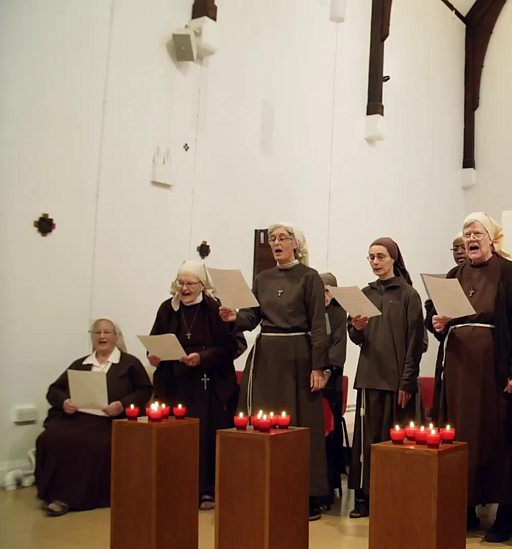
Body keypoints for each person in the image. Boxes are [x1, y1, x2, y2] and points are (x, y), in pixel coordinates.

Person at [426, 212, 512, 543]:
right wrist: (437, 323)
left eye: (477, 233)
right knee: (460, 435)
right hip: (459, 372)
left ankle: (503, 514)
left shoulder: (509, 272)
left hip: (494, 370)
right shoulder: (454, 274)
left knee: (497, 436)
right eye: (466, 234)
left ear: (492, 239)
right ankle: (467, 506)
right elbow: (436, 319)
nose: (470, 239)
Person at [219, 222, 330, 521]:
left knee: (299, 423)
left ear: (296, 244)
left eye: (283, 238)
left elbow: (318, 324)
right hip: (266, 356)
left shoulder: (309, 277)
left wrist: (319, 366)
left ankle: (305, 494)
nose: (277, 243)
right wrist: (234, 317)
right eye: (272, 239)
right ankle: (260, 486)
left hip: (298, 356)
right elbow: (252, 316)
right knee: (262, 419)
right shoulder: (263, 278)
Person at [35, 318, 152, 516]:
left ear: (115, 336)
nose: (102, 336)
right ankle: (54, 493)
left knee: (91, 443)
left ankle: (72, 498)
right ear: (92, 337)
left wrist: (121, 404)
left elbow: (144, 390)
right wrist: (64, 402)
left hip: (111, 421)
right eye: (97, 332)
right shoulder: (81, 364)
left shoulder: (129, 363)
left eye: (107, 332)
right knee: (50, 438)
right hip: (78, 418)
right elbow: (54, 390)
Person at [149, 260, 240, 510]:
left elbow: (230, 347)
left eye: (190, 284)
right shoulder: (167, 309)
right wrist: (153, 356)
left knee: (204, 437)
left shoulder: (215, 308)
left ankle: (206, 489)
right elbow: (155, 339)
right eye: (181, 283)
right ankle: (176, 486)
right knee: (176, 436)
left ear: (202, 285)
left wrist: (202, 357)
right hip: (175, 381)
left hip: (208, 384)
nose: (184, 289)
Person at [347, 238, 425, 518]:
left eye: (380, 256)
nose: (375, 262)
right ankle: (363, 497)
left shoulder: (408, 295)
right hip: (369, 377)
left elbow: (416, 342)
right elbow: (355, 337)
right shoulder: (364, 293)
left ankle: (393, 495)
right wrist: (356, 328)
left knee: (393, 442)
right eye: (371, 257)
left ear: (393, 258)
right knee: (366, 443)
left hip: (396, 381)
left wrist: (407, 381)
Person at [318, 271, 347, 510]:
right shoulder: (309, 312)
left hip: (331, 381)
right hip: (311, 379)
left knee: (330, 436)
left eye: (327, 291)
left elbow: (338, 346)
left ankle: (328, 488)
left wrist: (326, 371)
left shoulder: (339, 312)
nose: (324, 295)